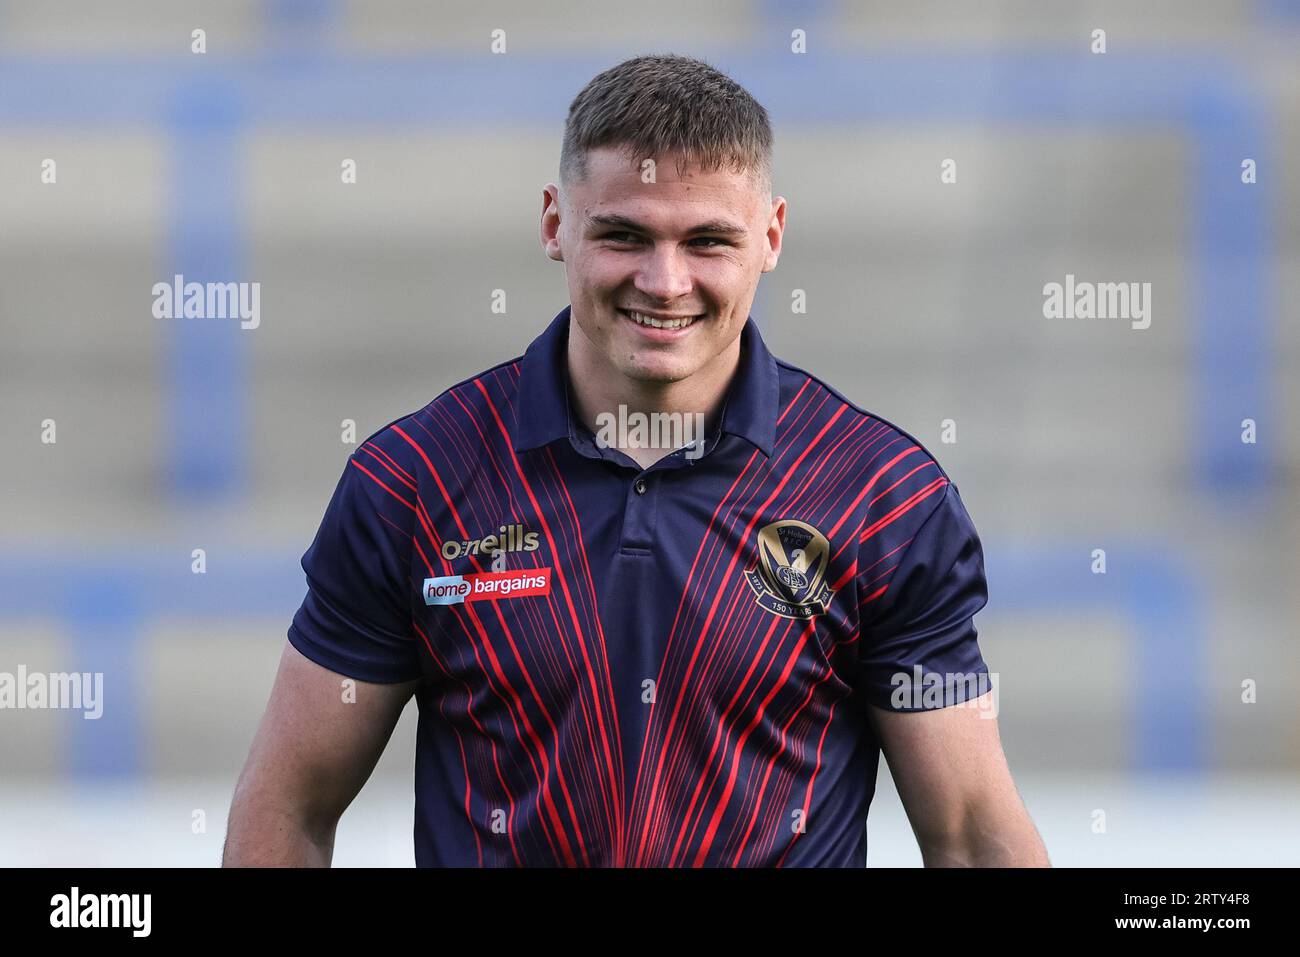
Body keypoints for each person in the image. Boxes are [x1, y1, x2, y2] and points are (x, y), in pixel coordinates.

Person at [224, 53, 1048, 867]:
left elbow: (972, 834)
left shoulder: (883, 497)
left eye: (708, 241)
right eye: (624, 236)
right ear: (555, 224)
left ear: (771, 236)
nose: (665, 281)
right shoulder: (414, 480)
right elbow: (288, 808)